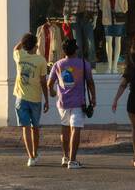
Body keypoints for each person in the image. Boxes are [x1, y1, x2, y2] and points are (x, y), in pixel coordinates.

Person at [47, 36, 94, 169]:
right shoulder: (84, 64)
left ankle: (65, 156)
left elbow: (49, 83)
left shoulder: (58, 64)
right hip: (78, 102)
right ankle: (72, 160)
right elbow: (90, 82)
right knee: (76, 129)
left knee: (65, 129)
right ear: (76, 50)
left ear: (64, 50)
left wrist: (51, 92)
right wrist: (94, 98)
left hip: (63, 102)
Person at [12, 32, 49, 166]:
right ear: (36, 46)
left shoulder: (19, 56)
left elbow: (15, 48)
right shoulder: (41, 60)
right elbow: (43, 82)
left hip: (21, 98)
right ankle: (35, 152)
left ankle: (31, 157)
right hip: (35, 99)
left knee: (25, 128)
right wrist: (47, 100)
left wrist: (23, 41)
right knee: (35, 128)